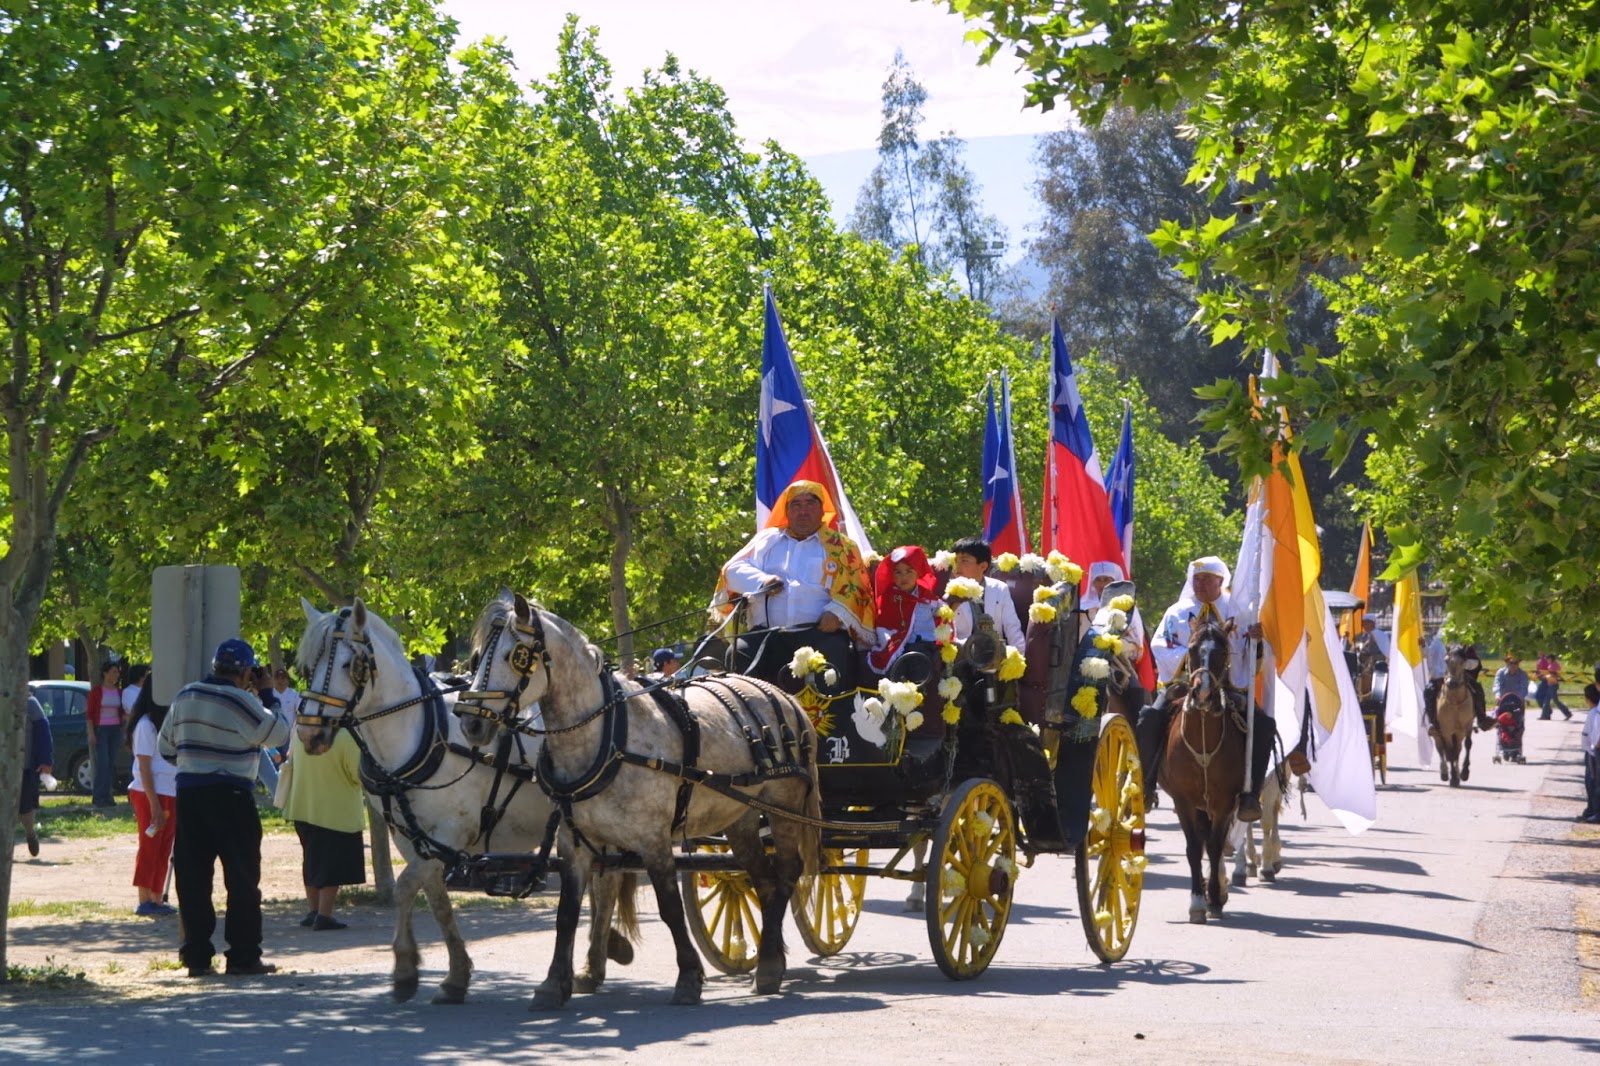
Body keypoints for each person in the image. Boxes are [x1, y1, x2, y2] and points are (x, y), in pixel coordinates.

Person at [158, 637, 289, 977]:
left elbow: (166, 748)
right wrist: (269, 694)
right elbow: (278, 734)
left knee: (193, 878)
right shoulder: (242, 701)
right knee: (242, 879)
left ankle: (197, 957)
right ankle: (244, 956)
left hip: (190, 795)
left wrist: (195, 760)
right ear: (247, 672)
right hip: (232, 796)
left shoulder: (186, 695)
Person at [1137, 556, 1274, 821]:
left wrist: (1257, 642)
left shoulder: (1240, 612)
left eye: (1206, 579)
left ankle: (1251, 794)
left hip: (1229, 686)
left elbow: (1252, 655)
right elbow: (1159, 645)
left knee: (1264, 725)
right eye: (1196, 579)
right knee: (1149, 717)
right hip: (1184, 685)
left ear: (1220, 582)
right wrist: (1192, 659)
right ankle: (1147, 782)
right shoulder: (1176, 612)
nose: (1199, 584)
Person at [715, 479, 874, 689]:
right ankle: (751, 719)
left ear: (822, 509)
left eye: (810, 503)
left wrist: (838, 614)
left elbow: (858, 588)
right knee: (738, 652)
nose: (803, 511)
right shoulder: (767, 540)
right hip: (768, 635)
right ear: (787, 511)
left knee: (835, 650)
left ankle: (826, 720)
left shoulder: (841, 546)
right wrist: (762, 580)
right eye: (796, 505)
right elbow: (732, 570)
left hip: (819, 634)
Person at [281, 723, 366, 931]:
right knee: (331, 865)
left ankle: (313, 911)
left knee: (311, 859)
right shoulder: (345, 736)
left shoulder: (300, 731)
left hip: (301, 806)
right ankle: (324, 915)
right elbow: (358, 774)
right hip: (334, 809)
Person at [126, 682, 178, 917]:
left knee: (163, 847)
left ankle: (157, 898)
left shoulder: (167, 724)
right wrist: (154, 803)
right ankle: (144, 898)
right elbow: (145, 768)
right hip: (150, 793)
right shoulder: (146, 725)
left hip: (171, 791)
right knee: (150, 845)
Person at [868, 545, 942, 674]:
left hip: (924, 643)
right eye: (898, 572)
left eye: (909, 571)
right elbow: (884, 622)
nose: (904, 577)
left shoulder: (928, 598)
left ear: (918, 572)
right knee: (895, 664)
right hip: (895, 643)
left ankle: (919, 691)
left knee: (919, 657)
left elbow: (942, 616)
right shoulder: (888, 598)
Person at [948, 536, 1026, 654]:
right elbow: (944, 631)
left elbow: (1012, 628)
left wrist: (1018, 658)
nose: (957, 567)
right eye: (955, 561)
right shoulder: (948, 591)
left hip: (993, 655)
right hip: (960, 656)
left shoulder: (1000, 589)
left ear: (983, 566)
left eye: (964, 561)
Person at [17, 694, 53, 858]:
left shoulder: (29, 702)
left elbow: (43, 732)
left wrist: (46, 760)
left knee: (26, 806)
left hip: (24, 766)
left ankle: (30, 833)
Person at [85, 659, 124, 808]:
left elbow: (123, 711)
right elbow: (89, 715)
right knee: (103, 763)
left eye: (118, 672)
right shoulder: (97, 692)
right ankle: (99, 796)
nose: (116, 675)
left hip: (115, 730)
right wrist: (91, 734)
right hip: (101, 730)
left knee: (111, 764)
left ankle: (108, 796)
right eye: (114, 672)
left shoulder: (119, 692)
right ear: (105, 673)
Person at [1577, 684, 1600, 823]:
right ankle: (1591, 809)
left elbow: (1587, 735)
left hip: (1592, 752)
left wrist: (1588, 749)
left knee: (1592, 783)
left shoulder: (1593, 713)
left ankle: (1593, 810)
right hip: (1592, 750)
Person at [1534, 653, 1572, 721]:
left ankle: (1567, 713)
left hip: (1552, 685)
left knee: (1555, 701)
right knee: (1546, 700)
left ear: (1550, 659)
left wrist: (1544, 676)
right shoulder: (1555, 664)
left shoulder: (1552, 665)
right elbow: (1555, 673)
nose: (1547, 661)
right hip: (1551, 684)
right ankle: (1545, 715)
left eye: (1548, 659)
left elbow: (1552, 674)